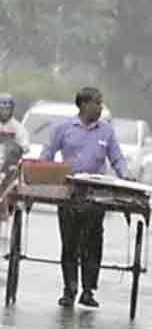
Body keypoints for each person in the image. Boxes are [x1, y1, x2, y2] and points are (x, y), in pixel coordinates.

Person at [42, 86, 129, 308]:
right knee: (69, 242)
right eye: (97, 103)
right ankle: (69, 290)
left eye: (101, 103)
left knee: (93, 242)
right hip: (69, 192)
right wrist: (44, 172)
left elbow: (117, 158)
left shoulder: (106, 131)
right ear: (83, 104)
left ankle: (88, 291)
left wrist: (127, 176)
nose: (100, 108)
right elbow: (47, 154)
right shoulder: (63, 129)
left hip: (96, 194)